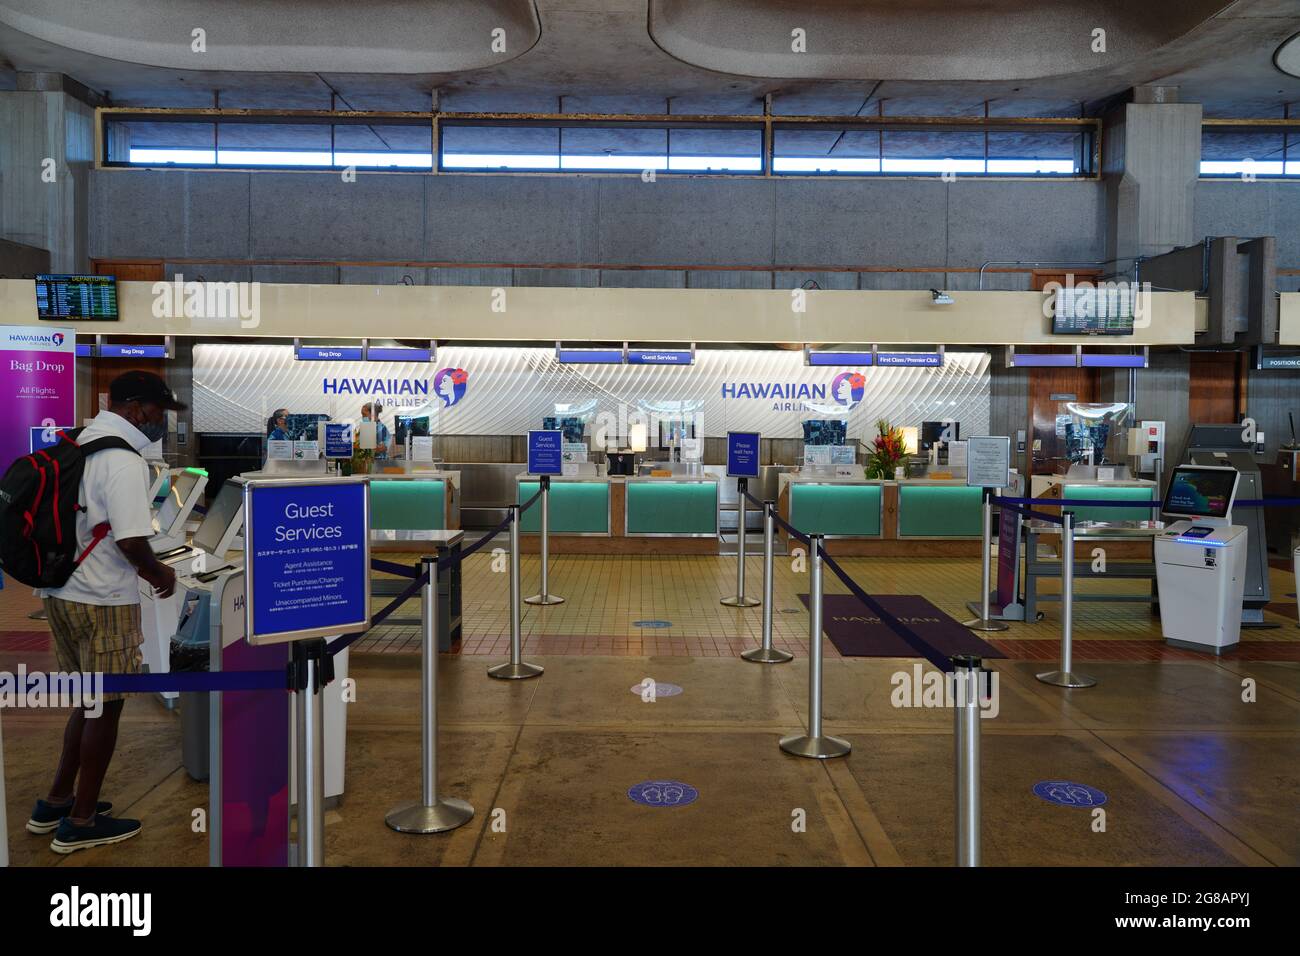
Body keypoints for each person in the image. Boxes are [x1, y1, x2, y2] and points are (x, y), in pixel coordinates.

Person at [28, 371, 186, 854]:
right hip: (104, 600)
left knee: (88, 701)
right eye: (159, 412)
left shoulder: (79, 441)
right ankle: (80, 822)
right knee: (106, 706)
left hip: (62, 592)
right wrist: (160, 574)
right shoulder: (123, 459)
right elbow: (131, 541)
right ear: (136, 408)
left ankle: (56, 801)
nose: (161, 422)